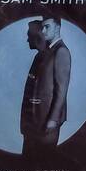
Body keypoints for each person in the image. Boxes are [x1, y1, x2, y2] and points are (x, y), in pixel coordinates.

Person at [20, 16, 71, 156]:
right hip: (36, 119)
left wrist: (53, 119)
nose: (43, 30)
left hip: (47, 120)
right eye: (42, 27)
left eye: (47, 26)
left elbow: (61, 89)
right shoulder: (46, 52)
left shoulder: (61, 51)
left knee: (44, 160)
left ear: (58, 28)